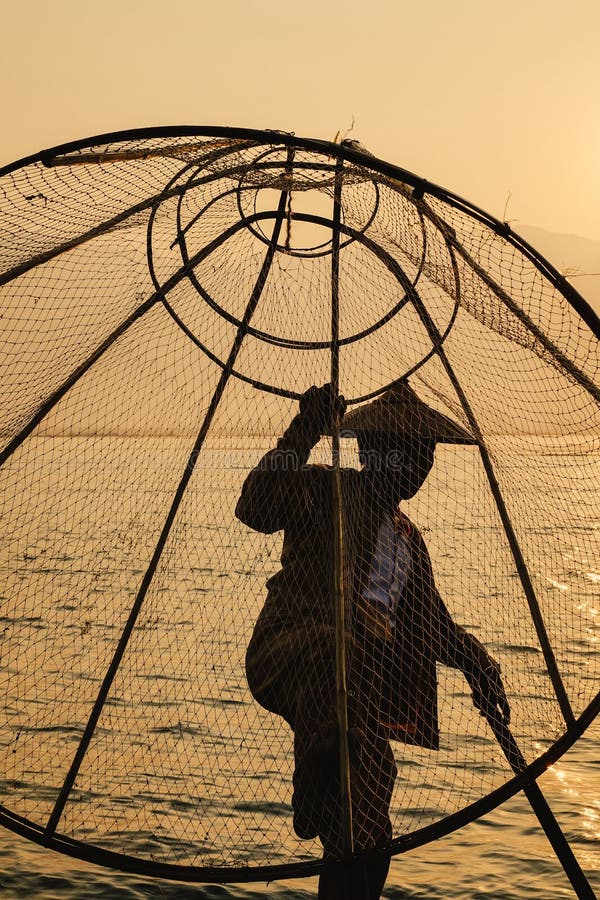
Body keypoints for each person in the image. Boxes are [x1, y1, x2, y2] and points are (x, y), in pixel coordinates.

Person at [235, 381, 510, 900]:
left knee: (368, 833)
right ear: (368, 451)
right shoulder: (324, 489)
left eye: (423, 454)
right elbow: (255, 506)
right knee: (338, 655)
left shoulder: (408, 540)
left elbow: (434, 628)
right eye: (404, 451)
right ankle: (313, 782)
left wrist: (479, 664)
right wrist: (304, 430)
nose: (418, 464)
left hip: (354, 705)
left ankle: (321, 797)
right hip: (291, 653)